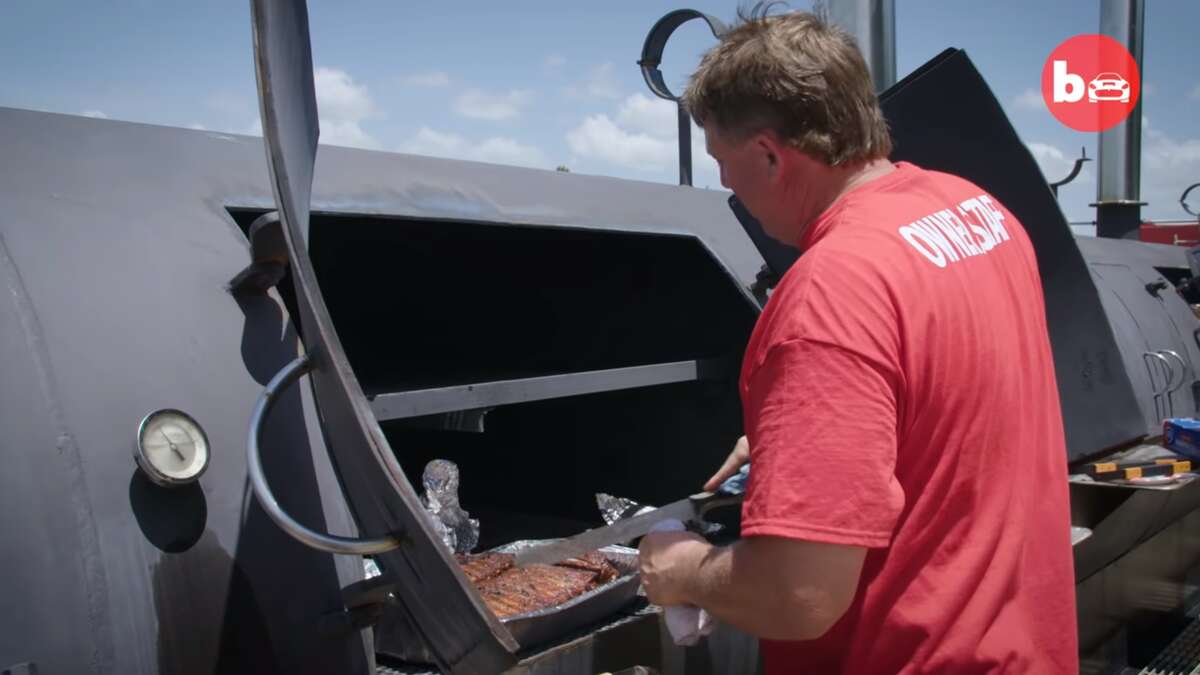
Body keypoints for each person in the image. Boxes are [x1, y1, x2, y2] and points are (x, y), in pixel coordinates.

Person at [637, 7, 1077, 674]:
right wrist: (817, 437)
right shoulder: (974, 208)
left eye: (721, 161)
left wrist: (685, 570)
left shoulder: (828, 292)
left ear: (767, 154)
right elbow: (954, 387)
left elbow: (799, 595)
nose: (724, 184)